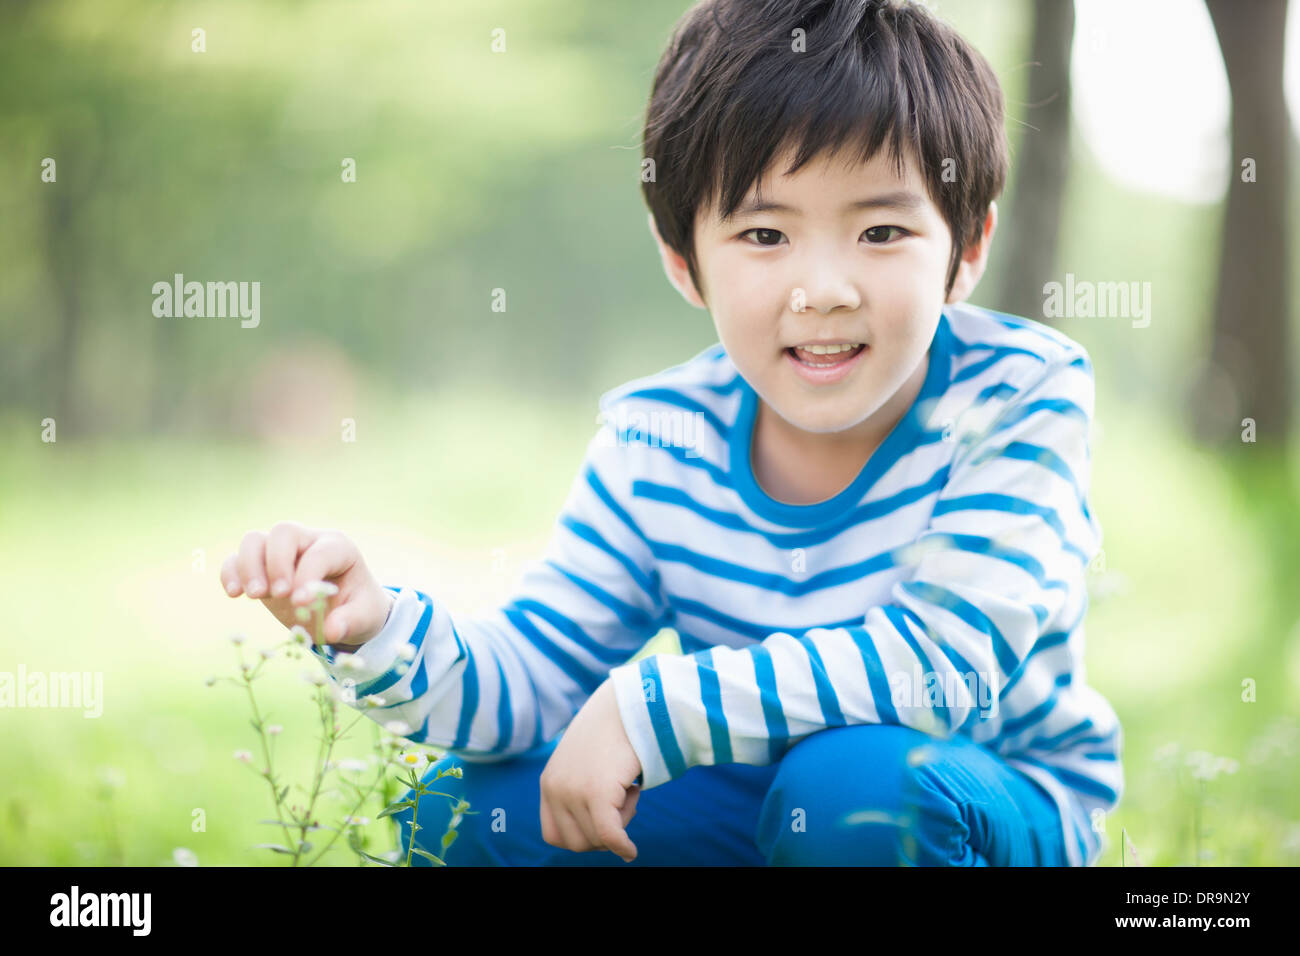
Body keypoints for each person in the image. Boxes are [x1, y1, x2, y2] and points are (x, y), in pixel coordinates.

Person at [221, 0, 1123, 866]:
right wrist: (374, 627)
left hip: (975, 799)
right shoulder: (660, 438)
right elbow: (536, 674)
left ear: (966, 251)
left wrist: (648, 710)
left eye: (881, 230)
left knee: (854, 788)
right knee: (465, 814)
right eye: (765, 235)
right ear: (683, 261)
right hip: (748, 791)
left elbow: (940, 668)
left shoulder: (1019, 396)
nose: (824, 289)